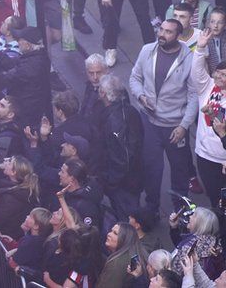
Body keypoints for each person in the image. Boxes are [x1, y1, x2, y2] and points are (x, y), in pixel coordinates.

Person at [129, 18, 198, 216]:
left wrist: (184, 126)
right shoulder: (147, 50)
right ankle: (152, 209)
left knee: (179, 170)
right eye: (161, 29)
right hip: (149, 122)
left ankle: (181, 210)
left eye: (168, 32)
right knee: (151, 168)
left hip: (175, 126)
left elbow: (194, 95)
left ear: (178, 35)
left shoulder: (189, 59)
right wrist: (141, 96)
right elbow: (135, 78)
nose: (162, 34)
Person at [97, 74, 144, 219]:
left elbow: (122, 156)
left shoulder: (113, 120)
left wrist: (111, 180)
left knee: (126, 220)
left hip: (123, 183)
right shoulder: (130, 111)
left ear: (103, 93)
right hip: (132, 178)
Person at [190, 28, 226, 211]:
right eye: (217, 73)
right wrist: (201, 48)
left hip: (223, 159)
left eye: (224, 75)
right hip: (205, 155)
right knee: (214, 199)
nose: (218, 77)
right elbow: (196, 72)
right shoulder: (208, 86)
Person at [0, 154, 40, 239]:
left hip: (3, 239)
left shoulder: (11, 198)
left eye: (9, 162)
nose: (6, 161)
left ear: (13, 172)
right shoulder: (17, 187)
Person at [56, 158, 103, 228]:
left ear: (72, 179)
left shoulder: (86, 206)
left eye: (62, 172)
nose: (59, 173)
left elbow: (88, 234)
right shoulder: (67, 194)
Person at [98, 223, 144, 288]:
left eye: (115, 233)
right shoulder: (129, 256)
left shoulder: (117, 263)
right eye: (111, 231)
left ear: (124, 239)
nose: (109, 234)